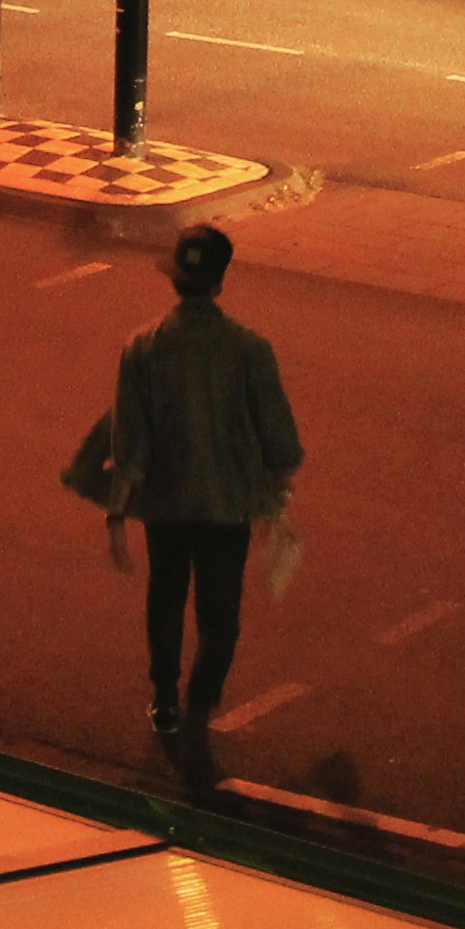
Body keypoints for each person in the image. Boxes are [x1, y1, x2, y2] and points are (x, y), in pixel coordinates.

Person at [82, 224, 301, 765]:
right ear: (220, 283)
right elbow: (283, 442)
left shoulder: (143, 347)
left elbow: (129, 441)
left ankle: (164, 696)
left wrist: (117, 513)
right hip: (226, 506)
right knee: (219, 612)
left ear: (177, 282)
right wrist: (276, 480)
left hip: (166, 503)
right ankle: (201, 702)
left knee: (166, 595)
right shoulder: (250, 349)